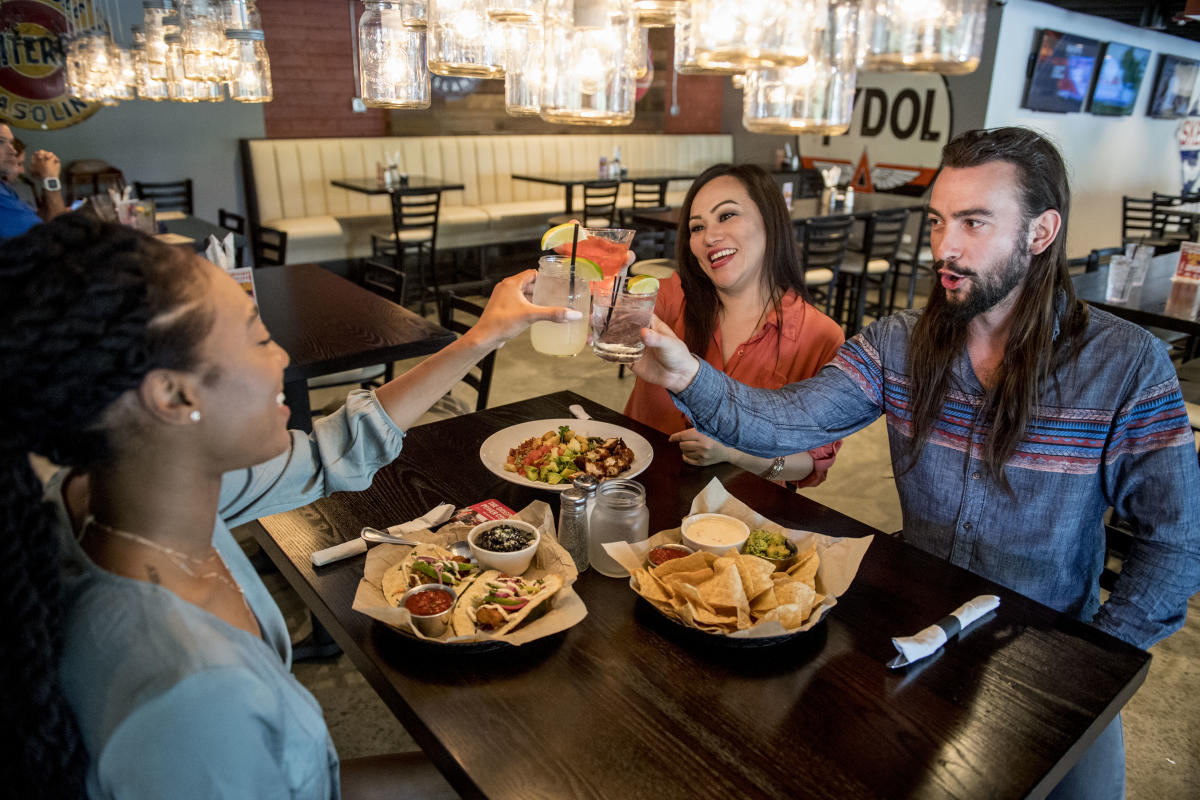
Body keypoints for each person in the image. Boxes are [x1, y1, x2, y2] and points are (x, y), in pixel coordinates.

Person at [632, 127, 1200, 799]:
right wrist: (688, 373)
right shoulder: (899, 343)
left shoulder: (1127, 365)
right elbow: (782, 418)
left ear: (1041, 232)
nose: (945, 248)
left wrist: (1094, 659)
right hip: (917, 629)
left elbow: (1175, 542)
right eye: (937, 222)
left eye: (973, 223)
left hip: (1052, 648)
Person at [0, 214, 583, 799]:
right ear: (173, 395)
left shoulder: (116, 493)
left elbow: (332, 452)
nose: (281, 357)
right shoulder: (189, 693)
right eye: (257, 336)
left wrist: (481, 337)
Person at [624, 163, 843, 486]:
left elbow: (812, 463)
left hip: (742, 516)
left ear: (770, 221)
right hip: (639, 494)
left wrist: (736, 452)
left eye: (726, 216)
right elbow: (612, 312)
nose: (710, 237)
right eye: (697, 228)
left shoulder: (819, 336)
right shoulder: (672, 298)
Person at [0, 122, 65, 238]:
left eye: (10, 142)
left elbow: (38, 221)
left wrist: (44, 182)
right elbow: (58, 237)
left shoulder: (3, 188)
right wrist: (51, 178)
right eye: (0, 142)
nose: (12, 151)